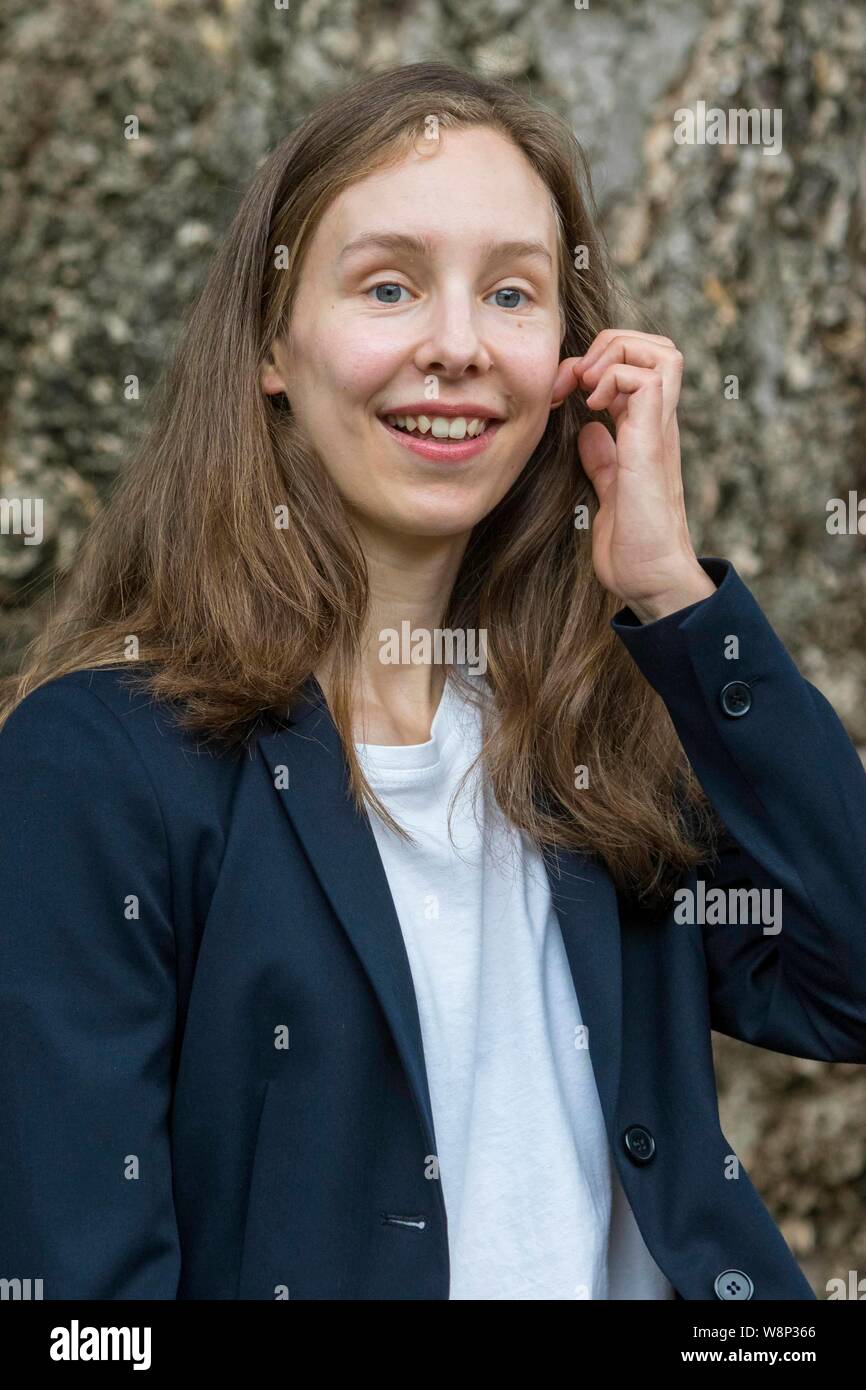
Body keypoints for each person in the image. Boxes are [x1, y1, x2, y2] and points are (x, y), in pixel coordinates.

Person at [1, 61, 864, 1302]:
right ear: (269, 346)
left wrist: (672, 594)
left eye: (511, 293)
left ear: (567, 361)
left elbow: (848, 981)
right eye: (389, 285)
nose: (456, 347)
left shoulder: (592, 734)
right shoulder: (95, 766)